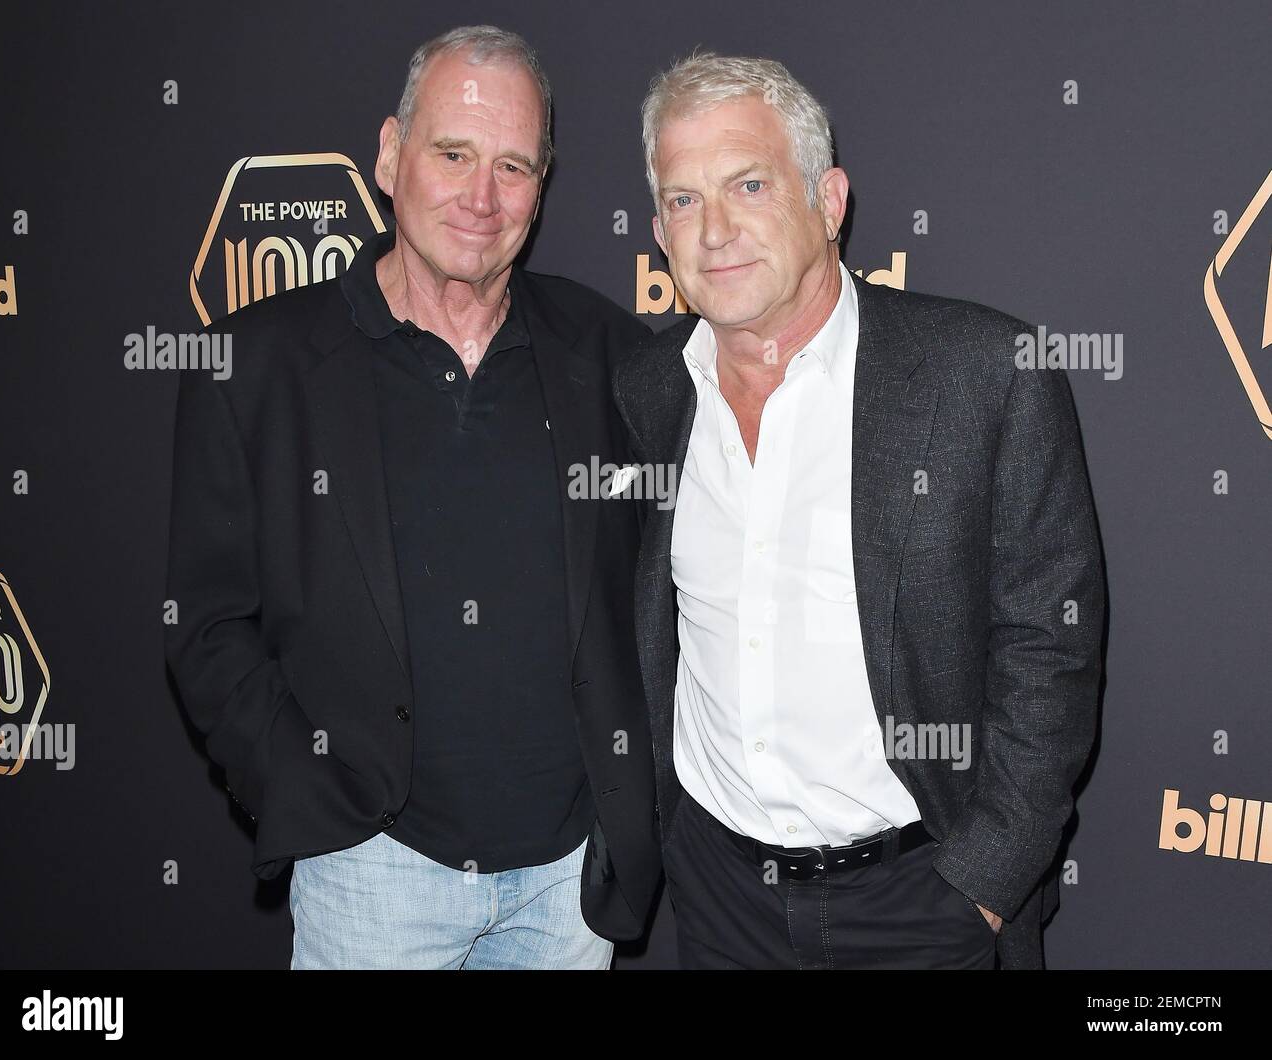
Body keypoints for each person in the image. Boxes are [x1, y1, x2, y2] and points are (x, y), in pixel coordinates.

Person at [165, 25, 658, 969]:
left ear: (542, 185)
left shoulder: (611, 352)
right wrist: (303, 792)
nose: (482, 197)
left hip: (568, 887)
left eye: (513, 166)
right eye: (454, 154)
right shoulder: (253, 366)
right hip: (370, 873)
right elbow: (207, 625)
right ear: (391, 156)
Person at [613, 50, 1104, 969]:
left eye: (749, 184)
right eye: (683, 199)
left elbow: (1051, 646)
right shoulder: (646, 389)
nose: (714, 230)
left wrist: (985, 884)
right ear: (658, 232)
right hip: (718, 896)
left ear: (828, 201)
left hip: (924, 899)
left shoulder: (982, 374)